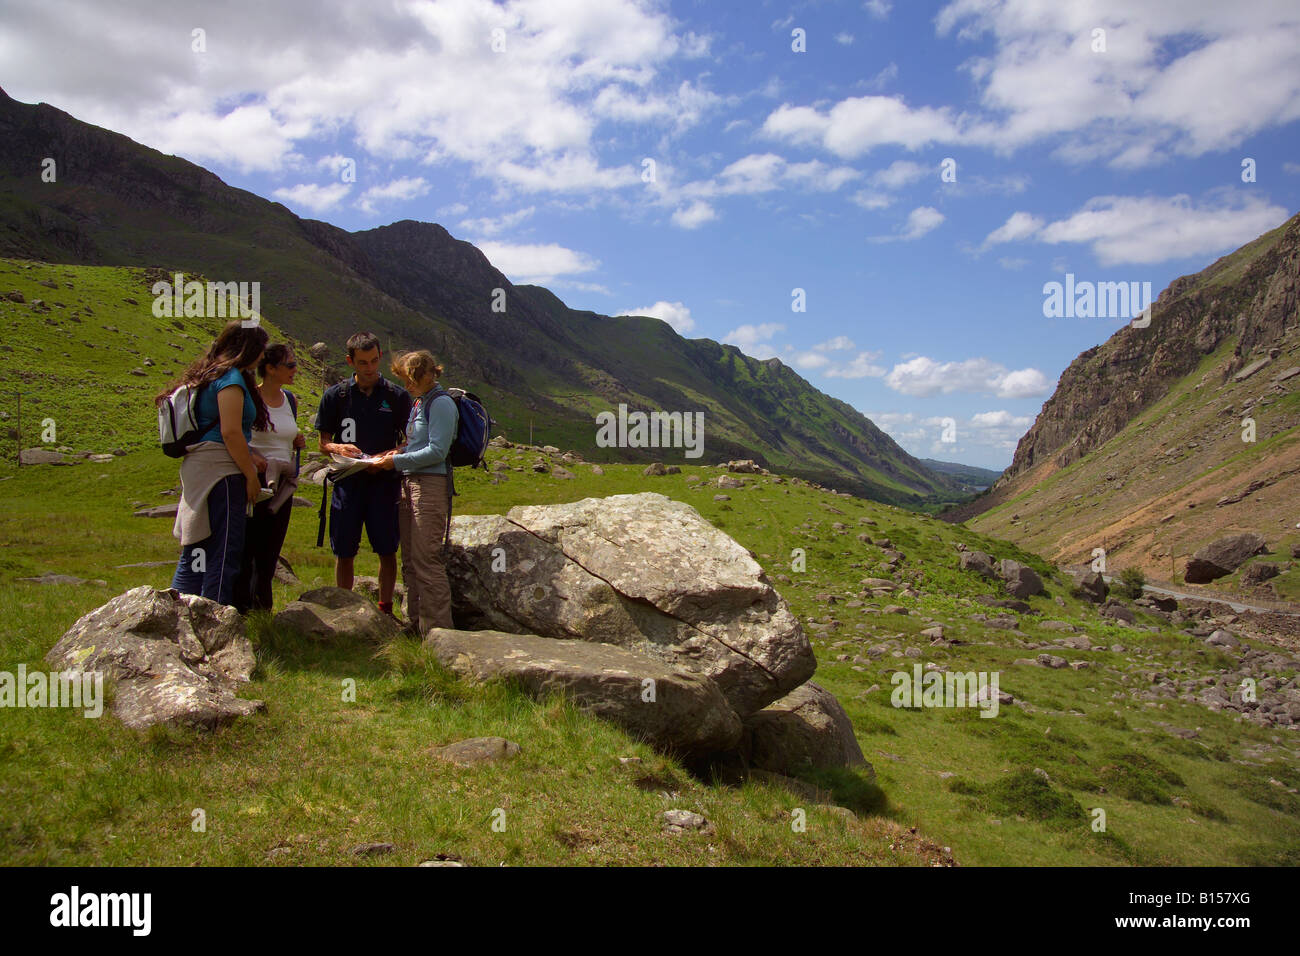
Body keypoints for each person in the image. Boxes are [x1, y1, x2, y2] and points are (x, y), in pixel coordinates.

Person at [156, 321, 270, 606]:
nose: (263, 357)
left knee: (196, 547)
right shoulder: (230, 379)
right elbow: (230, 432)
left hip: (199, 467)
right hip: (222, 471)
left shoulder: (208, 373)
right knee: (224, 550)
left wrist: (251, 453)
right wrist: (250, 475)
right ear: (248, 349)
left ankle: (179, 613)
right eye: (261, 349)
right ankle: (214, 619)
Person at [315, 332, 412, 619]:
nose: (369, 368)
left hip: (384, 483)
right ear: (350, 361)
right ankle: (344, 609)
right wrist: (336, 446)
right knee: (344, 550)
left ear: (380, 357)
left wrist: (389, 456)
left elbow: (410, 442)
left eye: (373, 361)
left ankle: (385, 610)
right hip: (348, 482)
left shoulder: (397, 396)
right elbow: (322, 443)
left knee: (386, 548)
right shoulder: (335, 396)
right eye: (362, 363)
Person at [374, 350, 459, 635]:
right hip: (409, 484)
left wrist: (395, 461)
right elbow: (417, 444)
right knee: (409, 560)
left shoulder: (442, 404)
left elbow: (437, 450)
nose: (406, 386)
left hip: (430, 487)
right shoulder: (419, 402)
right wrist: (396, 453)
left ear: (425, 375)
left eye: (409, 379)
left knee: (426, 560)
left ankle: (438, 633)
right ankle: (415, 624)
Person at [233, 344, 307, 613]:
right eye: (289, 365)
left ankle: (263, 612)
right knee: (248, 549)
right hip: (256, 481)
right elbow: (235, 434)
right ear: (271, 368)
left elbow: (285, 435)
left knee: (270, 551)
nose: (295, 370)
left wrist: (296, 441)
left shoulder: (290, 399)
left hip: (283, 485)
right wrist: (251, 456)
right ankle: (242, 608)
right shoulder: (250, 398)